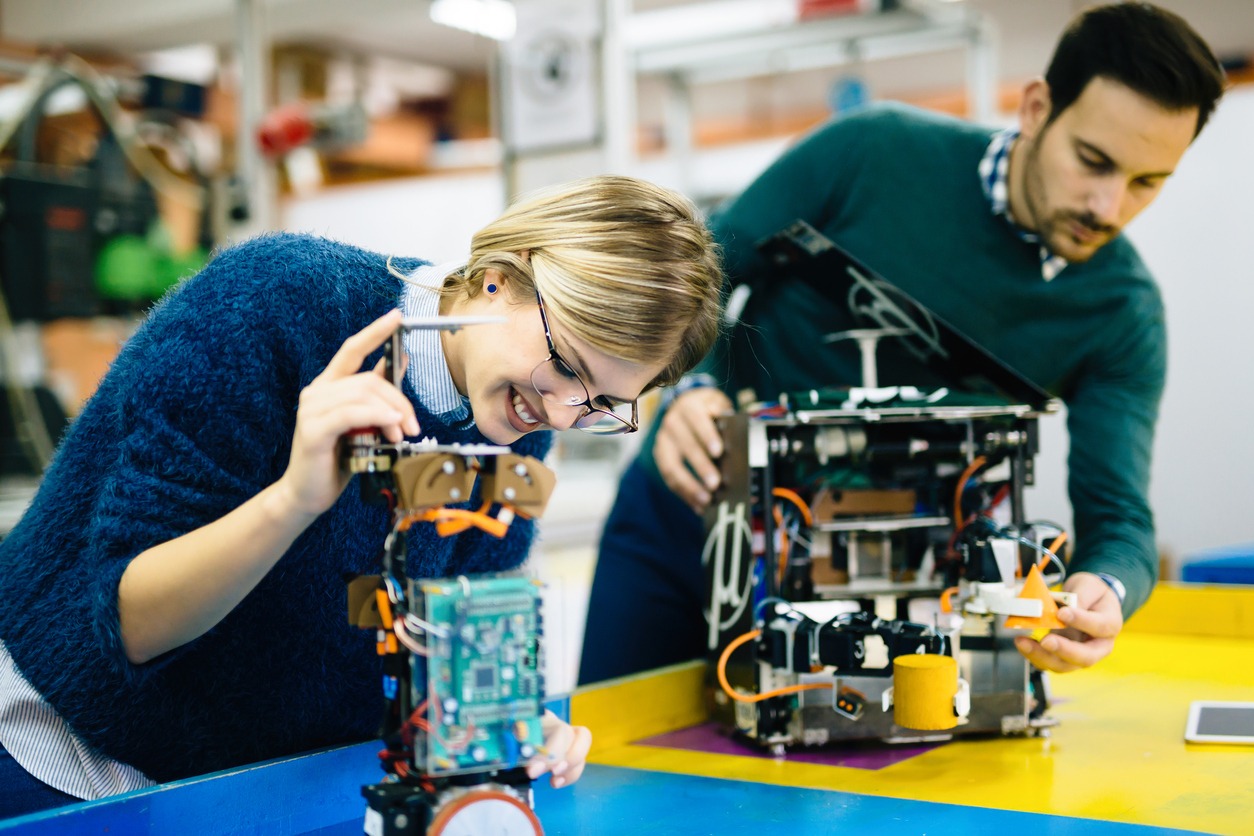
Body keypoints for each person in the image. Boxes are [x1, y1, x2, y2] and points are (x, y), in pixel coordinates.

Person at [0, 174, 723, 817]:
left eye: (603, 404)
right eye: (564, 365)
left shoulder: (515, 417)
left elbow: (444, 638)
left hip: (261, 787)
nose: (563, 414)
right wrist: (295, 499)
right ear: (497, 280)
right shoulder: (275, 306)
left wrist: (508, 717)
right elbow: (130, 624)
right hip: (73, 753)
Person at [580, 3, 1225, 685]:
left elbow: (1120, 520)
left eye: (1146, 182)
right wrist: (693, 386)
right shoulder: (870, 152)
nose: (1109, 206)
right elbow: (704, 269)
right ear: (1037, 109)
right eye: (1093, 161)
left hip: (879, 593)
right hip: (688, 515)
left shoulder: (1121, 314)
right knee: (610, 739)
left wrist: (1106, 589)